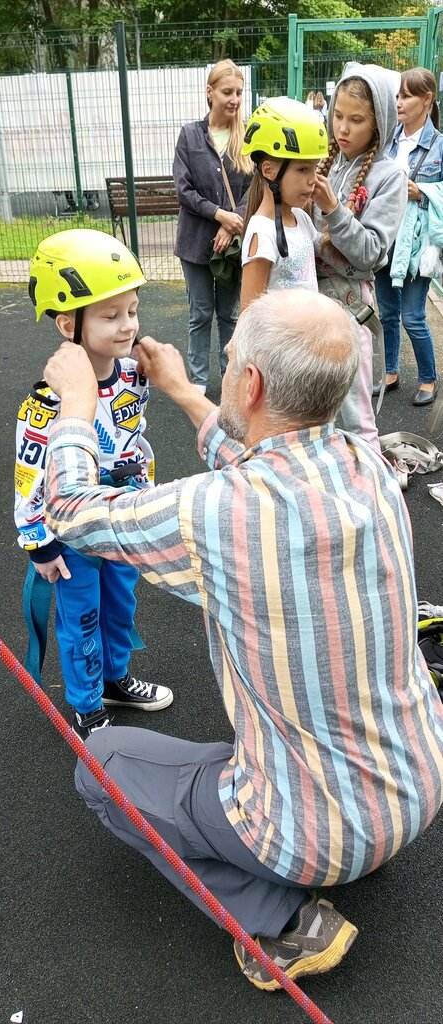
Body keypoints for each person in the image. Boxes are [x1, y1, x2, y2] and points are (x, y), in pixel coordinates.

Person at [42, 288, 443, 989]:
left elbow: (73, 511)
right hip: (419, 785)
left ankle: (281, 923)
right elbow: (257, 456)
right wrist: (183, 392)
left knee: (102, 760)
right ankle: (339, 846)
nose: (223, 370)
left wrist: (75, 402)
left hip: (317, 835)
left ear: (251, 384)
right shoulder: (368, 465)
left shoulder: (216, 514)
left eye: (228, 363)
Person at [15, 228, 173, 740]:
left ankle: (114, 678)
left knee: (122, 606)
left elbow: (136, 440)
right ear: (69, 323)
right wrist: (38, 543)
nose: (128, 326)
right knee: (81, 617)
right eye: (111, 315)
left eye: (132, 310)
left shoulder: (132, 375)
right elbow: (29, 476)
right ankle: (86, 705)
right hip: (72, 536)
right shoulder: (46, 403)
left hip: (122, 520)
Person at [311, 62, 408, 451]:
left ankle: (373, 498)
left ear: (379, 123)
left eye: (356, 120)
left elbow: (369, 256)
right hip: (309, 304)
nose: (343, 128)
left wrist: (333, 211)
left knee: (354, 414)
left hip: (350, 310)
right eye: (337, 115)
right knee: (314, 409)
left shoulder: (390, 177)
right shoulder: (328, 161)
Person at [173, 59, 253, 393]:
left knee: (230, 314)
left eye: (238, 92)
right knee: (200, 314)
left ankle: (231, 377)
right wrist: (219, 216)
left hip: (232, 245)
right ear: (210, 92)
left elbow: (257, 185)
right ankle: (200, 381)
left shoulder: (247, 136)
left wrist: (232, 226)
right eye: (226, 92)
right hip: (195, 243)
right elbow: (183, 189)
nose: (234, 99)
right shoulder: (190, 135)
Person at [373, 68, 443, 406]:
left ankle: (428, 377)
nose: (398, 102)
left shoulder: (439, 146)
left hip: (416, 246)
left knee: (413, 316)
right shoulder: (388, 141)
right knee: (386, 313)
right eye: (397, 96)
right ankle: (390, 370)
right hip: (385, 239)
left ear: (427, 100)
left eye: (406, 96)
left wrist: (424, 192)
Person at [239, 97, 328, 309]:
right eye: (303, 169)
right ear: (269, 170)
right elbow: (248, 314)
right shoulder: (262, 233)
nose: (313, 179)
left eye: (315, 168)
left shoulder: (301, 218)